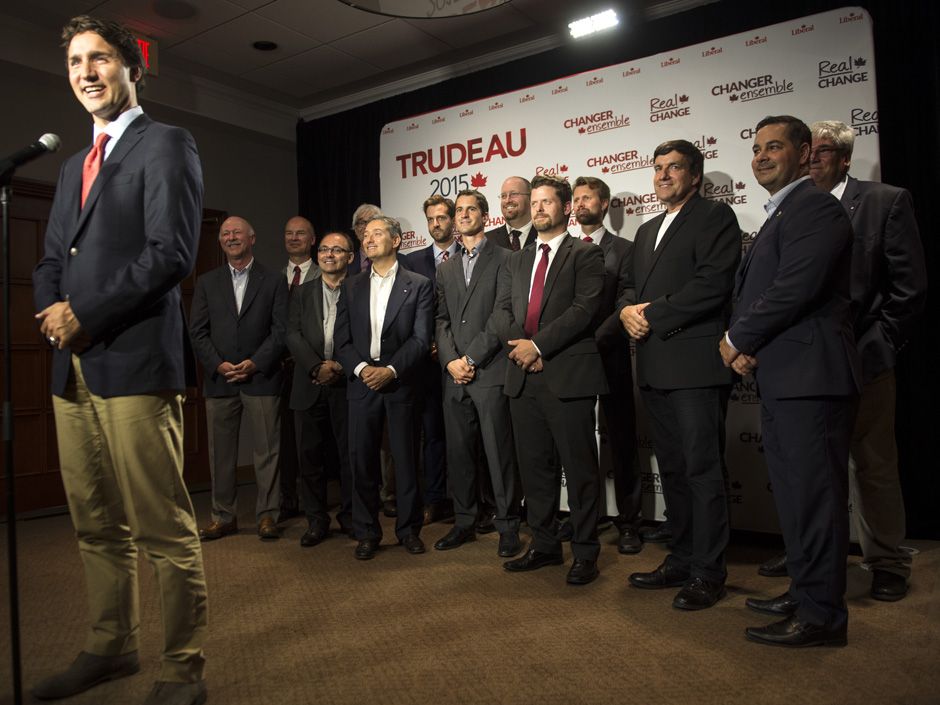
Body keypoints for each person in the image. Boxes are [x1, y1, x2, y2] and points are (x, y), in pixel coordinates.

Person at [31, 15, 208, 705]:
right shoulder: (74, 163)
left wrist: (85, 312)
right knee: (95, 522)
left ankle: (183, 668)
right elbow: (51, 257)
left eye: (99, 58)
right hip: (69, 366)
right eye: (75, 61)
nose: (86, 72)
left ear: (131, 67)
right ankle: (111, 645)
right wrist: (52, 311)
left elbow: (170, 253)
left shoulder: (167, 144)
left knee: (161, 526)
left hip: (134, 362)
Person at [757, 121, 928, 601]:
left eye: (824, 151)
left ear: (845, 158)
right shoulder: (784, 210)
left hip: (863, 356)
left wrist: (880, 345)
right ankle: (806, 558)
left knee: (871, 465)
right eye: (807, 150)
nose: (813, 159)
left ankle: (887, 561)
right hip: (801, 364)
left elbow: (908, 289)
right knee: (806, 472)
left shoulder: (883, 201)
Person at [721, 115, 860, 646]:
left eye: (774, 146)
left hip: (813, 379)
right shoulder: (783, 213)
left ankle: (822, 617)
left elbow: (794, 288)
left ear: (806, 153)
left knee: (816, 500)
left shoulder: (816, 207)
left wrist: (737, 339)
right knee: (798, 499)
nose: (760, 155)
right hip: (788, 377)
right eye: (756, 147)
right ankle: (806, 591)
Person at [620, 140, 741, 610]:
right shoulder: (647, 230)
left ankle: (709, 572)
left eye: (674, 168)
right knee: (671, 469)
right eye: (657, 168)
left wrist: (652, 313)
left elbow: (712, 285)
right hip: (652, 366)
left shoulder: (715, 218)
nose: (663, 175)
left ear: (695, 176)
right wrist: (626, 310)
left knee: (701, 469)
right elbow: (628, 288)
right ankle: (682, 557)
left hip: (694, 366)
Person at [492, 174, 607, 585]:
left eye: (547, 202)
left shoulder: (585, 254)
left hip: (567, 375)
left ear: (565, 208)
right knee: (535, 470)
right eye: (535, 202)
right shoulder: (515, 259)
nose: (539, 209)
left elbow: (583, 311)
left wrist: (537, 347)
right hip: (522, 377)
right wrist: (522, 349)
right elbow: (500, 312)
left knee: (579, 470)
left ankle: (586, 553)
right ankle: (543, 545)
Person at [334, 215, 434, 560]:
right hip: (361, 385)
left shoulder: (418, 284)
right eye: (365, 234)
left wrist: (390, 370)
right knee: (361, 461)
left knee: (406, 460)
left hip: (401, 382)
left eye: (377, 233)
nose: (368, 239)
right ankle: (366, 532)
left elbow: (421, 339)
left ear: (397, 240)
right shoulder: (351, 285)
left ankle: (408, 530)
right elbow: (341, 340)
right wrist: (363, 370)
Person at [433, 189, 522, 557]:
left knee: (499, 455)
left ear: (486, 216)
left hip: (490, 372)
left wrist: (470, 359)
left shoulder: (506, 259)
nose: (464, 214)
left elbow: (502, 314)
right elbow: (441, 320)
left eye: (472, 208)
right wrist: (451, 360)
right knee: (459, 454)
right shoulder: (445, 267)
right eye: (459, 210)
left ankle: (508, 527)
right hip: (453, 376)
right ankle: (465, 521)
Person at [190, 216, 288, 541]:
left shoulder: (273, 280)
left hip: (261, 377)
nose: (232, 237)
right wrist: (217, 365)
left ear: (252, 238)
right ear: (221, 242)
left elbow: (280, 331)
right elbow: (198, 332)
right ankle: (223, 516)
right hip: (220, 381)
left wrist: (255, 363)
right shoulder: (206, 282)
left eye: (237, 233)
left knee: (267, 451)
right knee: (221, 454)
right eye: (226, 234)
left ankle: (268, 516)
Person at [571, 175, 641, 554]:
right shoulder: (561, 249)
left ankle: (629, 522)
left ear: (604, 204)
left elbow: (626, 299)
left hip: (609, 355)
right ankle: (585, 517)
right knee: (577, 441)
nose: (581, 203)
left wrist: (594, 340)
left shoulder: (626, 249)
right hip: (569, 362)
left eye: (588, 198)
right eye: (577, 198)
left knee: (622, 440)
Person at [285, 231, 356, 546]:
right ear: (318, 256)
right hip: (309, 383)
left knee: (349, 457)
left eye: (337, 250)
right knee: (309, 458)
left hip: (346, 384)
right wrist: (317, 366)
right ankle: (316, 521)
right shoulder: (301, 292)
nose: (329, 254)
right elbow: (292, 334)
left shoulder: (360, 289)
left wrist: (339, 366)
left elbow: (368, 333)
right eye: (325, 249)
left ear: (349, 257)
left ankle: (352, 518)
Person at [400, 195, 459, 524]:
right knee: (431, 433)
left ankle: (470, 499)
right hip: (424, 365)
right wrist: (429, 345)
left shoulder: (467, 255)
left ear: (452, 220)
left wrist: (449, 347)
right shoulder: (411, 261)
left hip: (462, 360)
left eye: (442, 217)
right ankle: (435, 498)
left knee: (466, 434)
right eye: (431, 219)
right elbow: (406, 313)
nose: (436, 223)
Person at [277, 215, 319, 523]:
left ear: (312, 239)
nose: (294, 238)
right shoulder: (272, 277)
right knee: (284, 439)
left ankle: (314, 502)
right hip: (278, 369)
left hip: (314, 367)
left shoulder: (327, 273)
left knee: (312, 440)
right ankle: (286, 500)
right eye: (289, 233)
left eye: (300, 233)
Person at [486, 176, 535, 251]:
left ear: (530, 198)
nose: (507, 200)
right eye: (503, 196)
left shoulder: (546, 234)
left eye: (514, 194)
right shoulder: (487, 241)